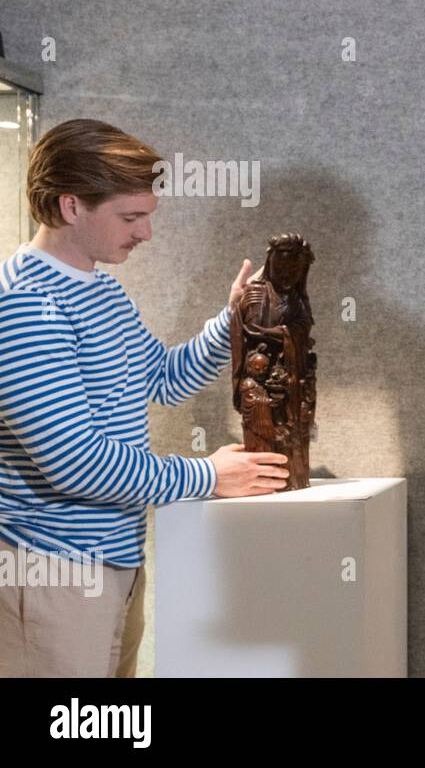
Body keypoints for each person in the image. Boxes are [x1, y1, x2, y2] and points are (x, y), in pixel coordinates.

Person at [0, 119, 291, 677]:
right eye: (131, 217)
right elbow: (76, 462)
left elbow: (162, 378)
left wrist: (231, 322)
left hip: (113, 565)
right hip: (51, 574)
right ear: (70, 206)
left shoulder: (99, 289)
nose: (146, 233)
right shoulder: (25, 306)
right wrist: (208, 476)